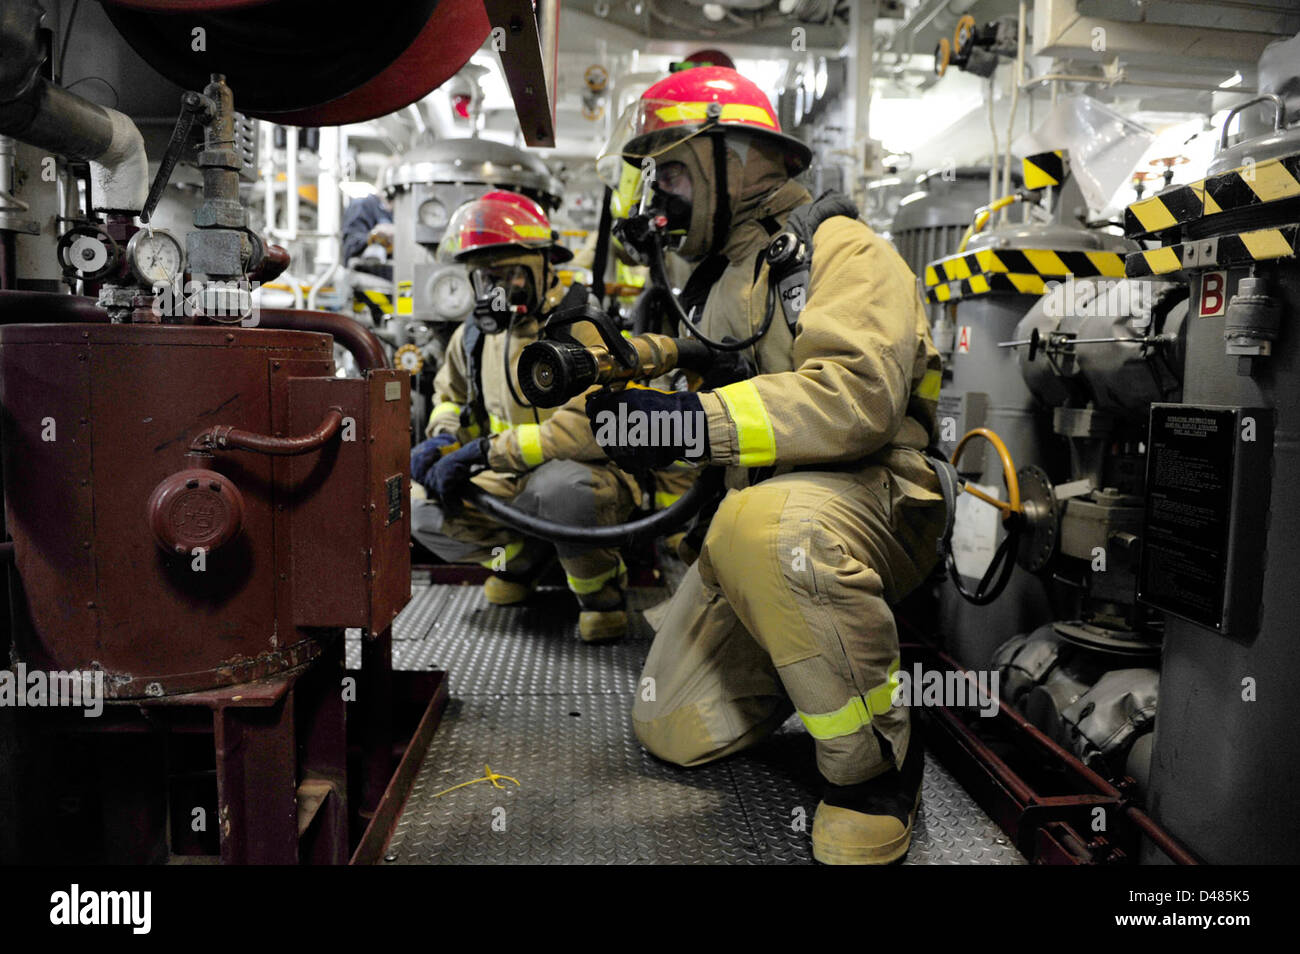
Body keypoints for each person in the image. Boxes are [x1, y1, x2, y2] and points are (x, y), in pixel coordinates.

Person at [585, 67, 947, 863]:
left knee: (767, 529)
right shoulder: (723, 280)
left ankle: (875, 768)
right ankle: (817, 653)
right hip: (769, 518)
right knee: (672, 724)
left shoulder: (845, 251)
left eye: (673, 171)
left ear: (745, 160)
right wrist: (625, 365)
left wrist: (689, 422)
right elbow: (712, 358)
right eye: (653, 177)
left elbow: (854, 398)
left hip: (877, 501)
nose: (660, 196)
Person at [410, 190, 639, 643]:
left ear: (544, 266)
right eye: (484, 277)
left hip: (584, 476)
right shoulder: (474, 336)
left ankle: (601, 594)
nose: (497, 291)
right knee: (418, 511)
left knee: (562, 490)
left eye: (511, 275)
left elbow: (589, 429)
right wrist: (443, 436)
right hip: (507, 477)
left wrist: (485, 450)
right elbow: (449, 394)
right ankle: (520, 558)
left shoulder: (583, 327)